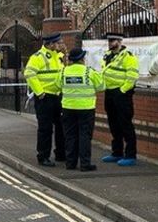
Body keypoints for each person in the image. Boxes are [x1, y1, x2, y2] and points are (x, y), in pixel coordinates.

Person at [24, 33, 66, 167]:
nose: (59, 45)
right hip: (45, 98)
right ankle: (43, 156)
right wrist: (40, 92)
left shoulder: (58, 56)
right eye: (57, 43)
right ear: (50, 44)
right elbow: (29, 73)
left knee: (61, 126)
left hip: (58, 96)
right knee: (45, 128)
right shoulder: (38, 57)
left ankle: (61, 153)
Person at [100, 32, 140, 166]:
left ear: (119, 41)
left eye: (112, 41)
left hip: (122, 94)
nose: (110, 43)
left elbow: (132, 76)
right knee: (113, 124)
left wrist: (122, 90)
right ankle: (117, 152)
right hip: (109, 92)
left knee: (125, 124)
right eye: (109, 41)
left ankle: (130, 155)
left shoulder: (128, 56)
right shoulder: (108, 56)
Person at [60, 47, 103, 171]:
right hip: (86, 108)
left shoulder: (63, 72)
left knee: (70, 135)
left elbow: (58, 85)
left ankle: (70, 163)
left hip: (68, 108)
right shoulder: (89, 72)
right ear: (82, 59)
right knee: (84, 136)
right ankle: (85, 164)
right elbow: (101, 86)